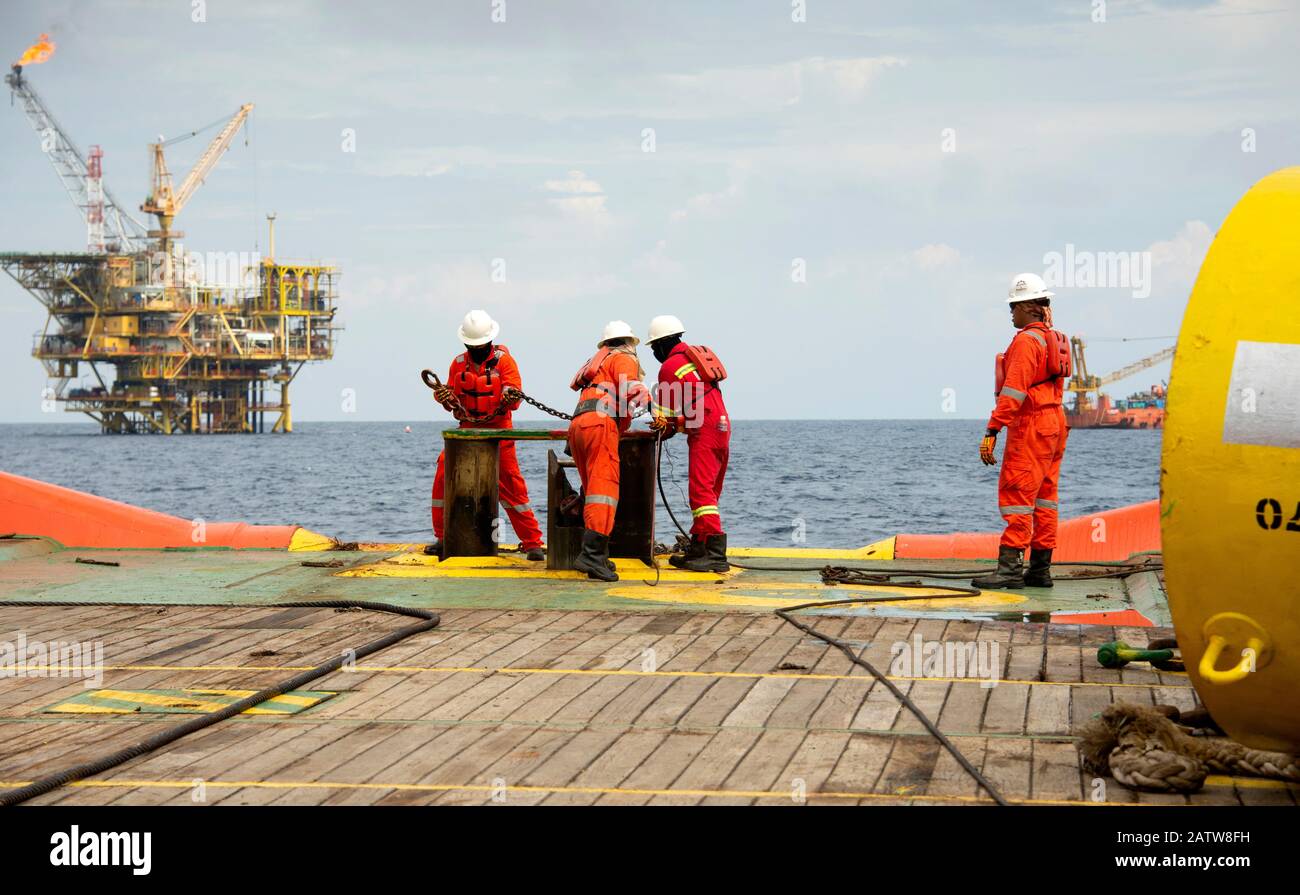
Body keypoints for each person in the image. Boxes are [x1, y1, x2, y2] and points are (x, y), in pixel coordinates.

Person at [973, 273, 1070, 589]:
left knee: (1017, 494)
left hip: (1030, 426)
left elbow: (1013, 393)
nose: (1011, 313)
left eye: (1014, 306)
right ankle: (1040, 570)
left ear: (1029, 306)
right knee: (1045, 498)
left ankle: (1010, 571)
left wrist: (992, 429)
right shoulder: (1051, 338)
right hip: (1054, 423)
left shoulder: (1027, 342)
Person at [428, 310, 545, 561]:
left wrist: (509, 394)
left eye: (480, 345)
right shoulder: (457, 364)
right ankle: (442, 537)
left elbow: (514, 392)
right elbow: (453, 401)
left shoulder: (505, 362)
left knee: (512, 487)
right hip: (467, 432)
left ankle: (532, 542)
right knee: (443, 477)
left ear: (490, 341)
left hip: (500, 432)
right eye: (472, 345)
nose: (476, 349)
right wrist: (443, 397)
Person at [645, 315, 731, 572]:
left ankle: (715, 555)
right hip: (720, 425)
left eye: (653, 349)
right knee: (709, 491)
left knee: (701, 495)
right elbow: (697, 407)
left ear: (660, 344)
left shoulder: (671, 365)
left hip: (704, 430)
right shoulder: (693, 360)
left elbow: (663, 414)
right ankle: (699, 547)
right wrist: (676, 424)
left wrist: (661, 426)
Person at [567, 321, 651, 581]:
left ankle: (598, 555)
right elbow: (631, 388)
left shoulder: (598, 363)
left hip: (579, 425)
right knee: (604, 492)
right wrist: (652, 407)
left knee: (592, 491)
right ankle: (591, 556)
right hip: (601, 425)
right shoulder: (624, 357)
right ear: (628, 342)